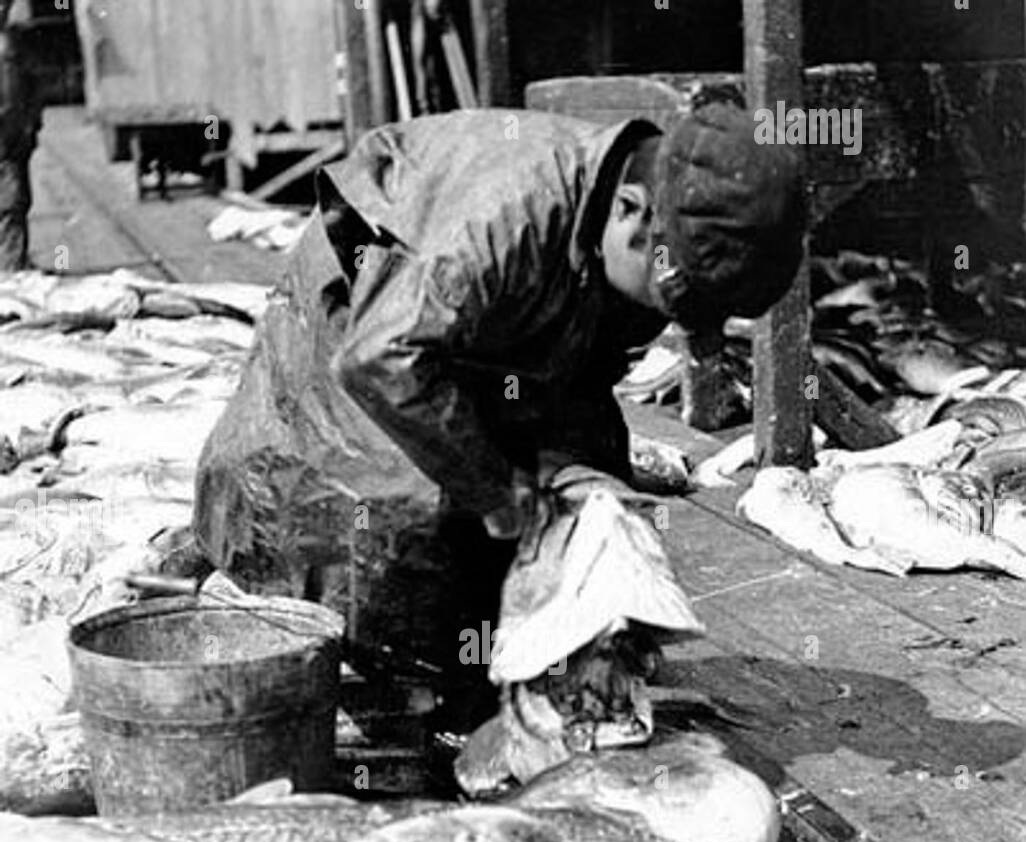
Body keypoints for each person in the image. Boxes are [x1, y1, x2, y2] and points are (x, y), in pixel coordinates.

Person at [193, 102, 804, 726]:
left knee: (589, 499)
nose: (667, 318)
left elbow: (586, 377)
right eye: (668, 296)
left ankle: (533, 657)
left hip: (490, 326)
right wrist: (498, 494)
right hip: (366, 311)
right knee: (399, 522)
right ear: (627, 211)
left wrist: (577, 488)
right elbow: (379, 360)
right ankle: (388, 661)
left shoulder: (636, 231)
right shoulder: (502, 221)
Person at [0, 0, 41, 271]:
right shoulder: (11, 51)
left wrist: (31, 127)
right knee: (10, 209)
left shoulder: (15, 48)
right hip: (8, 146)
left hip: (12, 146)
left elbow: (32, 93)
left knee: (13, 208)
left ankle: (11, 275)